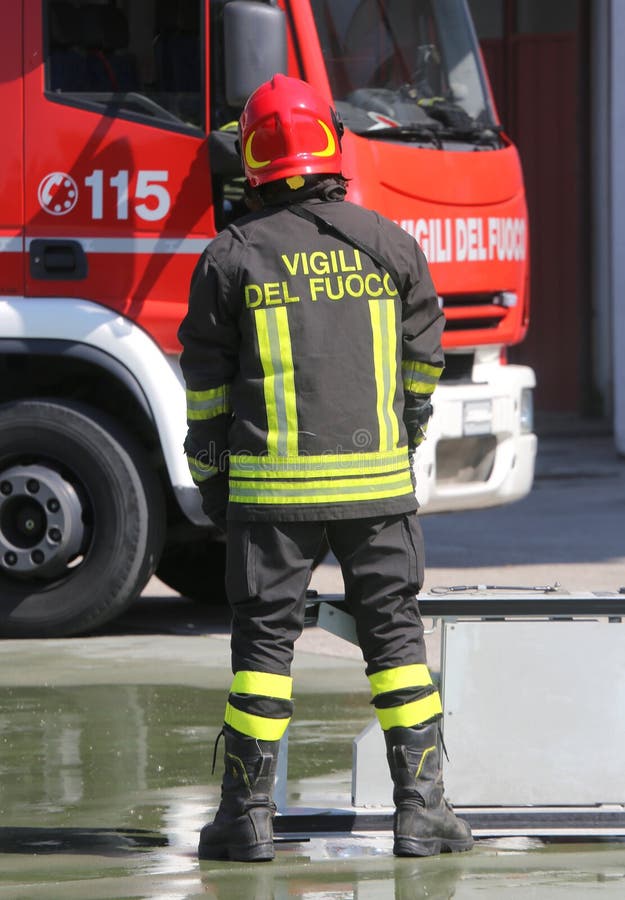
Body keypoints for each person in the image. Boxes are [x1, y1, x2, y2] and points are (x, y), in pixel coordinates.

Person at [178, 73, 473, 862]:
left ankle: (245, 819)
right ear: (332, 148)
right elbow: (423, 365)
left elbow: (205, 391)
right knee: (395, 643)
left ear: (252, 159)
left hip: (270, 500)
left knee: (262, 654)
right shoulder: (390, 244)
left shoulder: (229, 257)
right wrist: (403, 437)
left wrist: (211, 478)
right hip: (376, 493)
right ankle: (421, 812)